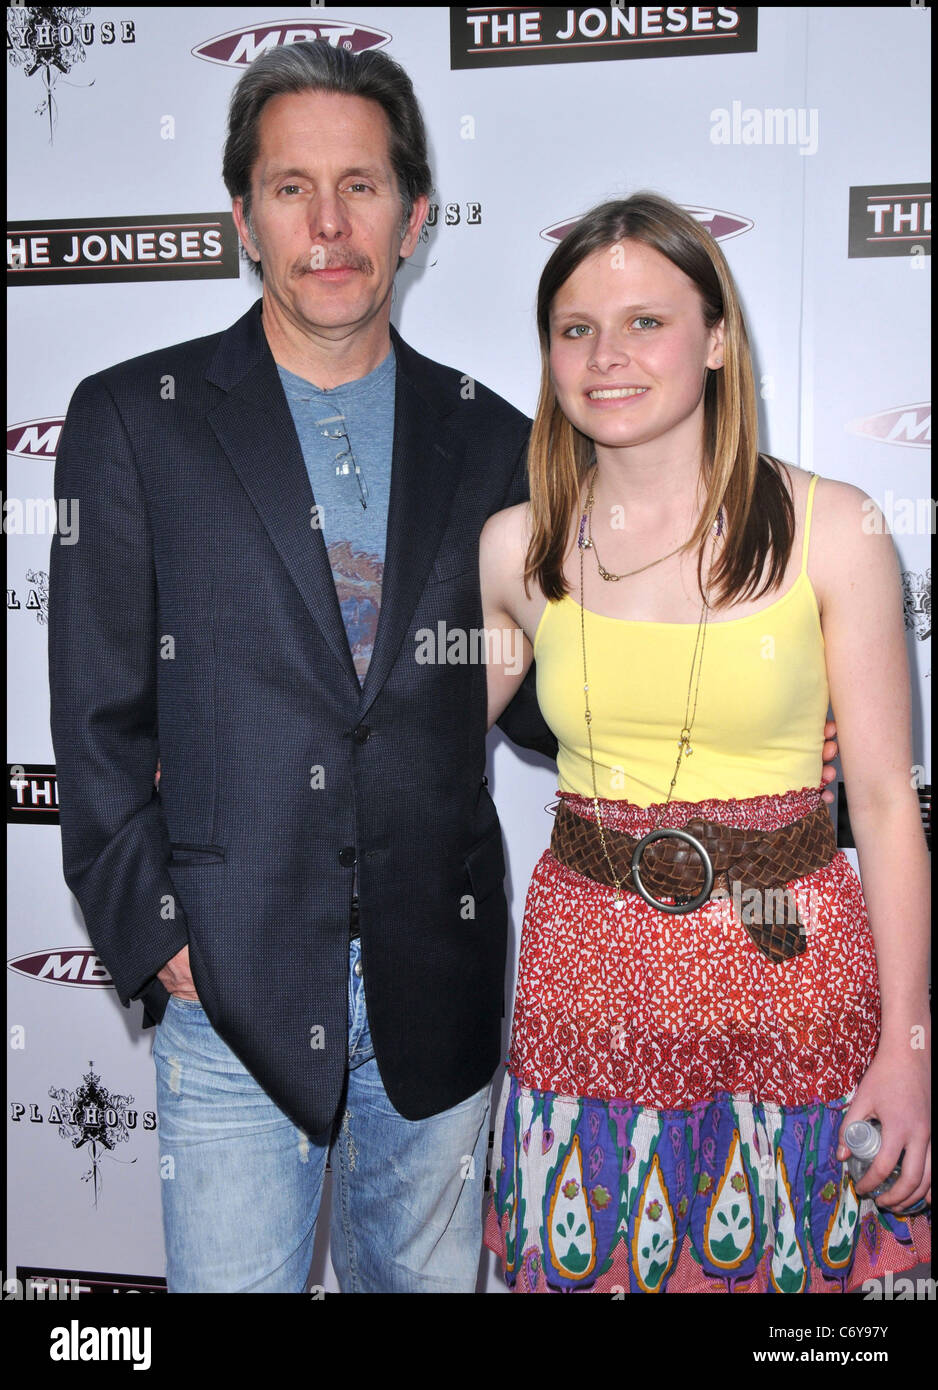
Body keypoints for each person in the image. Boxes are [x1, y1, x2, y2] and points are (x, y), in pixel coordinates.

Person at [47, 39, 556, 1294]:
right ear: (242, 214)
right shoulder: (134, 418)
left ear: (417, 213)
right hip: (230, 988)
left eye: (363, 187)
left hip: (436, 992)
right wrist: (162, 935)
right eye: (289, 188)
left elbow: (546, 701)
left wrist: (732, 740)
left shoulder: (495, 436)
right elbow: (96, 712)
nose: (328, 226)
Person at [480, 193, 930, 1293]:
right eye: (575, 328)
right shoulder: (517, 548)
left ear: (716, 339)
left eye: (645, 321)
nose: (605, 356)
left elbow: (879, 802)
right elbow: (401, 746)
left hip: (788, 969)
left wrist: (905, 1048)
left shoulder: (833, 527)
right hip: (584, 983)